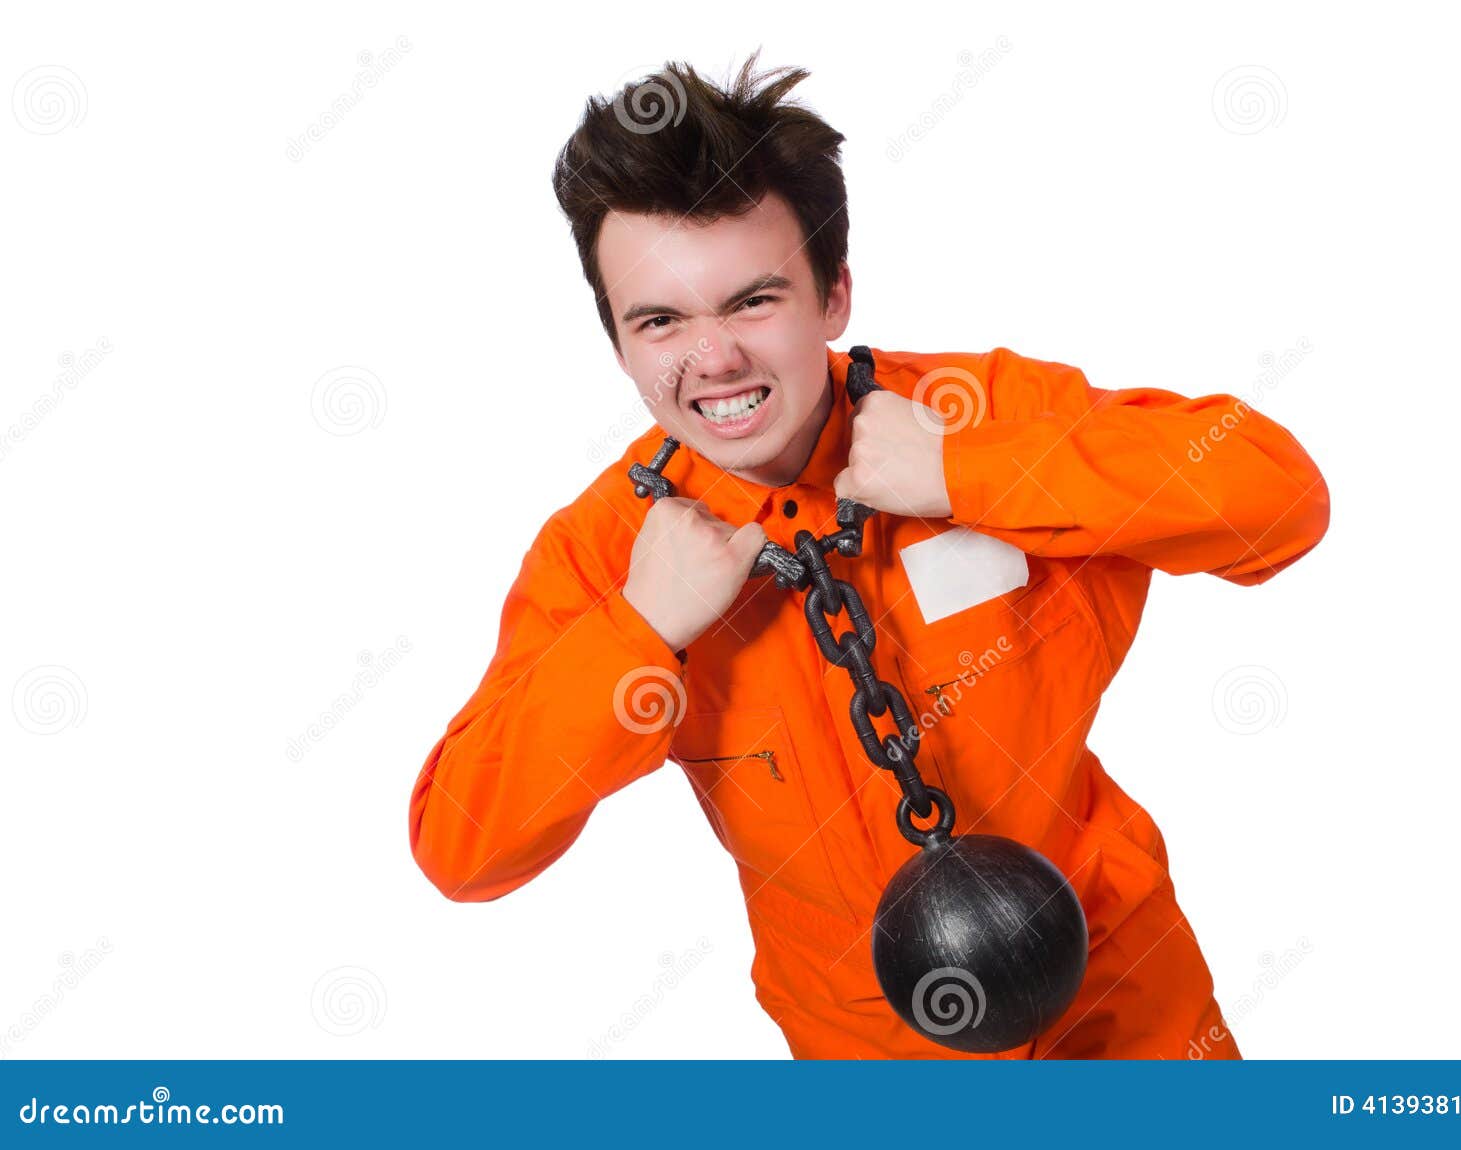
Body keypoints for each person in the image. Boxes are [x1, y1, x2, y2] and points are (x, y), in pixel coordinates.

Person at [407, 51, 1330, 1059]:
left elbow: (1278, 498)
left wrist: (970, 474)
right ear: (619, 345)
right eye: (660, 320)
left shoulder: (973, 416)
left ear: (834, 295)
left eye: (753, 301)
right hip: (871, 1052)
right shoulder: (607, 553)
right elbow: (463, 845)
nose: (714, 359)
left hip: (1124, 1002)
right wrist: (640, 630)